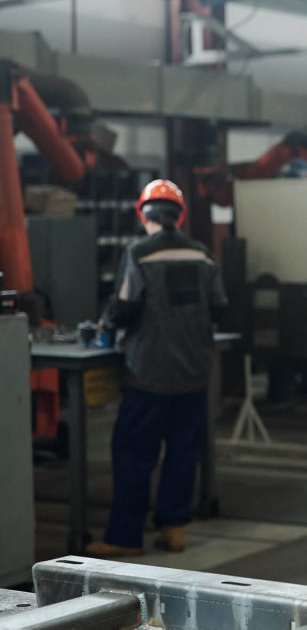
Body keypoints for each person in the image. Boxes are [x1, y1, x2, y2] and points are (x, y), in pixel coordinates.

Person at [86, 179, 227, 557]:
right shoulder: (203, 255)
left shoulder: (138, 253)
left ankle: (124, 536)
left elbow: (124, 308)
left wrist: (104, 325)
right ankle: (174, 528)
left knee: (133, 453)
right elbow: (220, 307)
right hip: (194, 373)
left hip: (148, 372)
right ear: (180, 215)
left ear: (142, 214)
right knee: (183, 452)